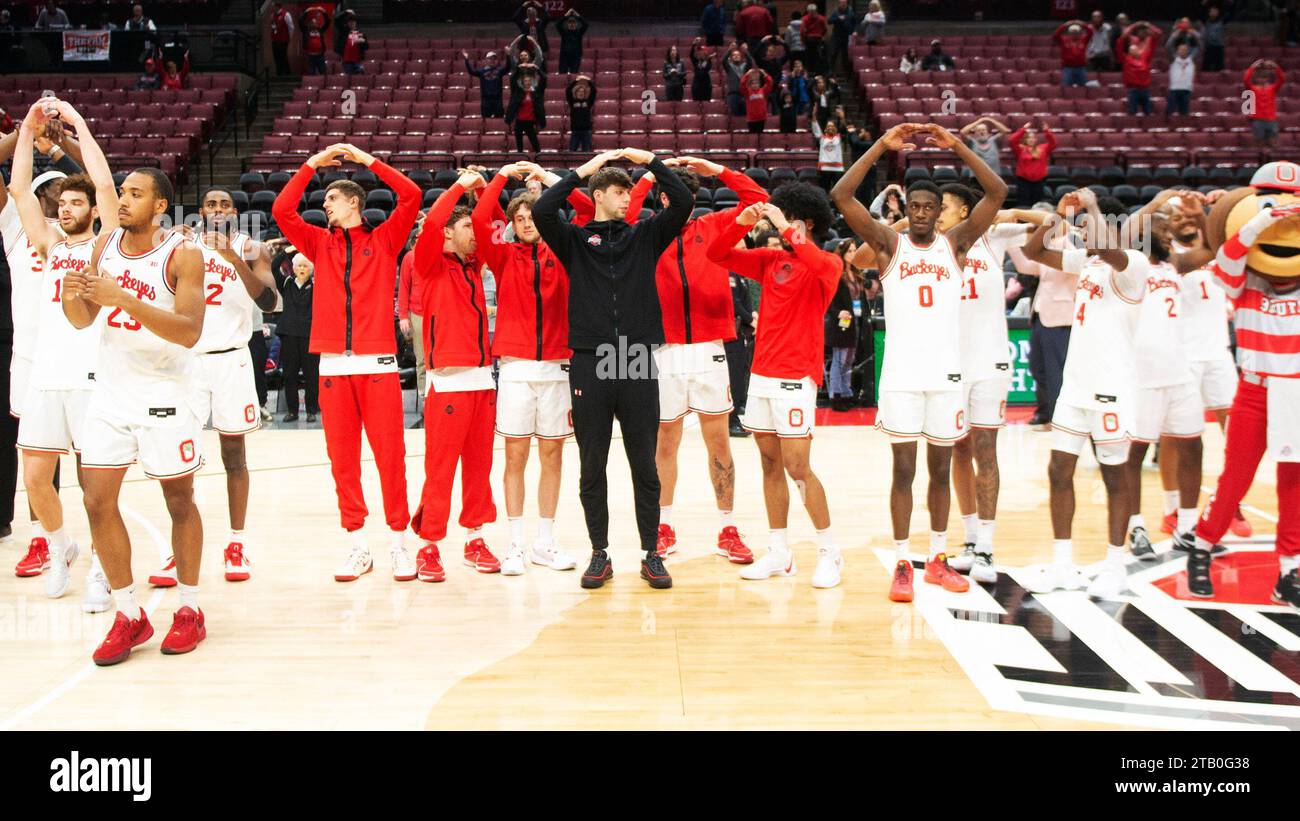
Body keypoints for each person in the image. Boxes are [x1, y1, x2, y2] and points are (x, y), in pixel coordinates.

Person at [832, 122, 1007, 603]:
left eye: (932, 207)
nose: (925, 213)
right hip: (903, 377)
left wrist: (958, 146)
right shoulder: (890, 246)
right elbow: (841, 194)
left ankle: (936, 557)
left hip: (947, 375)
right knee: (903, 470)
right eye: (916, 207)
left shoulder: (958, 245)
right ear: (906, 211)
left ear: (939, 213)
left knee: (941, 468)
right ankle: (903, 562)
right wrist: (879, 147)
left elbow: (997, 191)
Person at [62, 164, 206, 666]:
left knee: (179, 500)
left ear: (161, 206)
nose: (123, 200)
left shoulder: (183, 253)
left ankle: (189, 609)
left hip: (165, 393)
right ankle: (128, 615)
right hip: (110, 395)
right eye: (122, 192)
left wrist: (122, 297)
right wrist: (71, 291)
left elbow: (189, 331)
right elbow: (81, 320)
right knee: (97, 501)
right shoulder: (103, 246)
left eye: (136, 194)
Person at [532, 148, 692, 591]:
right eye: (619, 192)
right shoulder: (574, 240)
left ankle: (650, 554)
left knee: (644, 463)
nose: (628, 198)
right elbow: (545, 208)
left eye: (629, 191)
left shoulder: (644, 235)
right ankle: (599, 552)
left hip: (636, 354)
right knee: (592, 464)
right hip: (590, 357)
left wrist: (652, 161)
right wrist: (582, 170)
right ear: (598, 195)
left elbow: (682, 202)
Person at [271, 143, 420, 583]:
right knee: (343, 460)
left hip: (377, 364)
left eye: (331, 199)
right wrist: (311, 164)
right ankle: (358, 545)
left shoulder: (385, 239)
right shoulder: (319, 244)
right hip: (334, 365)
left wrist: (367, 159)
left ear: (353, 201)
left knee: (391, 457)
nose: (325, 206)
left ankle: (398, 544)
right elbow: (283, 210)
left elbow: (410, 195)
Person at [623, 157, 768, 564]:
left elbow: (757, 198)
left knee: (718, 439)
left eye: (693, 195)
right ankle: (662, 524)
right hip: (663, 349)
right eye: (676, 194)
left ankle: (727, 527)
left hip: (709, 348)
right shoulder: (647, 233)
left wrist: (716, 169)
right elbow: (625, 214)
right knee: (665, 441)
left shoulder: (715, 226)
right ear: (665, 197)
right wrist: (651, 173)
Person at [7, 100, 116, 612]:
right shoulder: (50, 245)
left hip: (93, 379)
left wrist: (77, 122)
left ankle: (101, 566)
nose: (67, 208)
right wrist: (27, 132)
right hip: (46, 374)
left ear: (92, 211)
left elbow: (107, 184)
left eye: (77, 202)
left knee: (95, 488)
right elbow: (18, 191)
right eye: (63, 203)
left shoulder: (104, 247)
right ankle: (58, 548)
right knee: (33, 478)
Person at [706, 189, 844, 587]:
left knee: (798, 467)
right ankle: (780, 551)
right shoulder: (771, 261)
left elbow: (817, 260)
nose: (778, 227)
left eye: (787, 219)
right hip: (762, 375)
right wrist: (741, 223)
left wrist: (784, 225)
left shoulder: (827, 264)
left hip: (796, 377)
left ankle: (828, 550)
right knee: (769, 465)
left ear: (807, 222)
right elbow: (717, 254)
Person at [1017, 193, 1150, 597]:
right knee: (1059, 472)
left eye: (1093, 226)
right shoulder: (1086, 263)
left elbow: (1108, 246)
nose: (1084, 232)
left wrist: (1092, 209)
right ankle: (1062, 565)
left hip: (1111, 389)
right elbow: (1033, 250)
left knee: (1115, 477)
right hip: (1075, 387)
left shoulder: (1134, 264)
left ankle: (1115, 567)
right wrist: (1058, 215)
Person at [150, 188, 278, 587]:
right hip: (186, 360)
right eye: (211, 204)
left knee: (234, 454)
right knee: (177, 459)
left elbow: (271, 302)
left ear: (234, 213)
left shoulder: (252, 248)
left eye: (225, 205)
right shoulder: (180, 246)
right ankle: (181, 546)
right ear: (200, 211)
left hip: (231, 359)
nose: (218, 210)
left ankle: (236, 543)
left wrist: (234, 260)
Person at [1187, 163, 1300, 607]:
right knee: (1236, 477)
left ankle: (1289, 570)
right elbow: (1226, 259)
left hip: (1295, 392)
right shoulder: (1243, 282)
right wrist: (1260, 218)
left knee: (1293, 480)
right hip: (1254, 390)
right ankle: (1201, 546)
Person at [472, 161, 582, 576]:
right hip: (516, 367)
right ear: (512, 224)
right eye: (518, 219)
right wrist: (501, 176)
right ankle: (515, 544)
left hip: (557, 365)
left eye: (533, 217)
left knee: (552, 455)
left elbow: (587, 210)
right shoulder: (501, 257)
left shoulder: (566, 247)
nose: (525, 223)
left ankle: (545, 541)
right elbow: (482, 217)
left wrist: (551, 180)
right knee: (515, 455)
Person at [406, 171, 499, 582]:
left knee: (480, 467)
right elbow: (431, 222)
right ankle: (428, 546)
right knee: (440, 469)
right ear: (446, 234)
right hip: (448, 380)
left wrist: (483, 191)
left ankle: (475, 538)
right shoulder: (427, 261)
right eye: (465, 227)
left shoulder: (475, 263)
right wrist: (460, 187)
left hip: (483, 378)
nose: (473, 233)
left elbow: (493, 222)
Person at [1112, 191, 1205, 575]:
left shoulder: (1174, 267)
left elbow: (1212, 248)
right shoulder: (1129, 266)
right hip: (1141, 377)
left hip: (1178, 374)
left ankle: (1186, 525)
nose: (1169, 235)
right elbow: (1123, 233)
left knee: (1193, 448)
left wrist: (1199, 215)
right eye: (1162, 228)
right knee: (1132, 456)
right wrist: (1160, 202)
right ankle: (1135, 527)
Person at [1164, 192, 1252, 538]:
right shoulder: (1167, 257)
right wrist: (1196, 213)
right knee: (1174, 436)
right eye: (1178, 217)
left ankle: (1231, 503)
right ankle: (1171, 508)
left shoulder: (1217, 249)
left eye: (1189, 218)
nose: (1185, 220)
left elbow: (1220, 243)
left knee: (1236, 436)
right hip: (1181, 355)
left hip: (1218, 352)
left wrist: (1207, 210)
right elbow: (1192, 256)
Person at [276, 252, 319, 422]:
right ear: (293, 268)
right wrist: (287, 251)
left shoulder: (317, 285)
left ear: (311, 270)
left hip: (310, 335)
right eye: (299, 266)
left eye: (305, 266)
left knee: (311, 375)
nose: (302, 269)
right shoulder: (286, 284)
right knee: (289, 374)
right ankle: (292, 411)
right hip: (289, 335)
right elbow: (274, 267)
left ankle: (311, 411)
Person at [825, 240, 862, 411]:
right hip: (841, 319)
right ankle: (836, 394)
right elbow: (829, 298)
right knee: (839, 359)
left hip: (854, 320)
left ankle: (846, 392)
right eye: (850, 251)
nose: (852, 254)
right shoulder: (836, 273)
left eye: (854, 251)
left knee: (849, 359)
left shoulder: (856, 273)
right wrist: (837, 311)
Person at [727, 270, 756, 437]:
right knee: (734, 378)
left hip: (740, 332)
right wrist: (751, 320)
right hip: (731, 333)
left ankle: (734, 417)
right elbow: (733, 301)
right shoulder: (727, 272)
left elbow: (744, 300)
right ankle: (731, 421)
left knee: (740, 375)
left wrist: (751, 316)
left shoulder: (739, 274)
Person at [1009, 121, 1056, 207]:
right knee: (1024, 203)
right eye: (1029, 138)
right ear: (1025, 140)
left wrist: (1047, 131)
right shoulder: (1020, 149)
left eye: (1033, 138)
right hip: (1023, 181)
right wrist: (1023, 129)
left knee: (1037, 204)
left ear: (1036, 139)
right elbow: (1012, 140)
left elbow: (1053, 143)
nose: (1031, 139)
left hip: (1039, 181)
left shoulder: (1042, 148)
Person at [1244, 59, 1284, 148]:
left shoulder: (1272, 89)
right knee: (1259, 143)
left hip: (1271, 119)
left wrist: (1276, 67)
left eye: (1264, 78)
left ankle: (1273, 161)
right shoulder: (1253, 89)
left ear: (1267, 79)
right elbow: (1246, 80)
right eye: (1260, 78)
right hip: (1258, 120)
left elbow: (1282, 79)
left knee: (1273, 143)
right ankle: (1261, 161)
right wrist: (1253, 67)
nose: (1262, 80)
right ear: (1257, 79)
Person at [464, 50, 511, 120]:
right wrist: (466, 59)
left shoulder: (499, 71)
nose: (492, 60)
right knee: (486, 120)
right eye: (490, 58)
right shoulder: (481, 71)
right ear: (486, 60)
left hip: (497, 100)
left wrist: (508, 55)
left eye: (494, 59)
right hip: (486, 100)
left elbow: (508, 67)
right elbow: (471, 71)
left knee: (499, 120)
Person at [506, 71, 545, 155]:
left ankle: (538, 160)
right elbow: (512, 79)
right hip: (520, 121)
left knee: (535, 144)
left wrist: (537, 69)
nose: (527, 83)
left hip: (530, 121)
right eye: (526, 81)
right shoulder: (518, 92)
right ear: (523, 82)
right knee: (519, 145)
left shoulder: (536, 93)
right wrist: (518, 69)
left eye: (529, 81)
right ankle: (520, 161)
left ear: (532, 82)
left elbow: (544, 79)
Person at [1053, 19, 1094, 87]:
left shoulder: (1083, 40)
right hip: (1068, 68)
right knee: (1066, 88)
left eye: (1076, 32)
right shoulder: (1064, 40)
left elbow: (1090, 33)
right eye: (1072, 32)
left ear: (1079, 33)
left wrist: (1082, 24)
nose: (1074, 34)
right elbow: (1055, 35)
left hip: (1081, 68)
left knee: (1083, 88)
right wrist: (1065, 25)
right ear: (1069, 33)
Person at [566, 75, 596, 152]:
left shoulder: (588, 102)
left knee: (586, 153)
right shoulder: (572, 102)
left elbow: (594, 91)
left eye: (583, 92)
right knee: (572, 152)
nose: (581, 93)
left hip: (586, 131)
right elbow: (568, 90)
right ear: (576, 93)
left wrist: (588, 80)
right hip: (575, 131)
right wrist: (576, 81)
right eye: (579, 91)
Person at [1167, 42, 1196, 117]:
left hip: (1186, 90)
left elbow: (1201, 47)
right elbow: (1168, 46)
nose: (1183, 51)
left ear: (1188, 51)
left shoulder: (1191, 60)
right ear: (1177, 51)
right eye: (1181, 49)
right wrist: (1177, 33)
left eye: (1185, 49)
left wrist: (1194, 34)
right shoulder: (1173, 59)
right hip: (1174, 90)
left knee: (1184, 114)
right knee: (1169, 112)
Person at [826, 0, 855, 74]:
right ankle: (830, 70)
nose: (842, 4)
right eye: (841, 3)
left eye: (843, 3)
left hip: (846, 36)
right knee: (833, 53)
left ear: (846, 3)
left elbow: (854, 22)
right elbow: (829, 21)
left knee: (845, 55)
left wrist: (854, 31)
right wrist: (838, 18)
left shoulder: (850, 11)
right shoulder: (836, 12)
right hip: (836, 36)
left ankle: (846, 72)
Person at [556, 8, 588, 74]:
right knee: (562, 73)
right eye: (570, 23)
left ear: (576, 24)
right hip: (564, 56)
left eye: (573, 23)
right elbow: (558, 24)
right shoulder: (564, 32)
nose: (571, 24)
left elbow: (585, 24)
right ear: (567, 24)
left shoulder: (579, 32)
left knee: (574, 74)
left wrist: (577, 15)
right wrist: (566, 15)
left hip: (576, 57)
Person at [742, 67, 772, 134]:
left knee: (761, 137)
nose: (755, 85)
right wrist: (747, 74)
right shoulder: (747, 92)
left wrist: (764, 74)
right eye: (753, 84)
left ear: (759, 84)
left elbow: (770, 82)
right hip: (752, 119)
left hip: (761, 118)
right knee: (753, 138)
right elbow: (742, 84)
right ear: (750, 85)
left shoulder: (763, 91)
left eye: (756, 83)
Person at [815, 120, 844, 190]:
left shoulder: (839, 137)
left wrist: (842, 118)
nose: (830, 127)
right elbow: (815, 127)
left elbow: (844, 129)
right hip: (825, 168)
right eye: (828, 126)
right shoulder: (822, 138)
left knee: (837, 191)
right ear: (825, 129)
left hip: (838, 169)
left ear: (836, 128)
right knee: (824, 190)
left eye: (832, 126)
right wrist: (813, 116)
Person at [724, 46, 751, 118]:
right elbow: (723, 61)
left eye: (738, 55)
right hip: (733, 95)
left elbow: (750, 62)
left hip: (744, 95)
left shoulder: (745, 67)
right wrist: (729, 50)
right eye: (734, 55)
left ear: (741, 57)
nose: (736, 56)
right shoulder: (729, 67)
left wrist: (745, 51)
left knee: (745, 116)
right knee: (734, 116)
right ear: (731, 58)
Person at [800, 3, 827, 75]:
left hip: (809, 40)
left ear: (808, 11)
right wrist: (821, 35)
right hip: (818, 39)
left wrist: (803, 40)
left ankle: (810, 72)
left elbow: (803, 31)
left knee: (809, 57)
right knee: (818, 57)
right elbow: (825, 29)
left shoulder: (804, 19)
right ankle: (818, 73)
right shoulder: (821, 18)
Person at [1199, 5, 1227, 72]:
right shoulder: (1206, 21)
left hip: (1219, 47)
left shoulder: (1222, 21)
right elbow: (1200, 14)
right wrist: (1203, 4)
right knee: (1206, 67)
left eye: (1215, 11)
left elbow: (1231, 14)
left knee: (1219, 67)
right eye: (1212, 11)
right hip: (1209, 47)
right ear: (1209, 13)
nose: (1214, 12)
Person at [270, 2, 294, 76]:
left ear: (278, 7)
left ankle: (287, 73)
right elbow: (273, 26)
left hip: (283, 39)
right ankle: (279, 73)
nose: (272, 8)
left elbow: (291, 27)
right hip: (275, 39)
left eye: (273, 6)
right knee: (276, 56)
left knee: (282, 56)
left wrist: (289, 37)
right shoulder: (273, 15)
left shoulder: (286, 14)